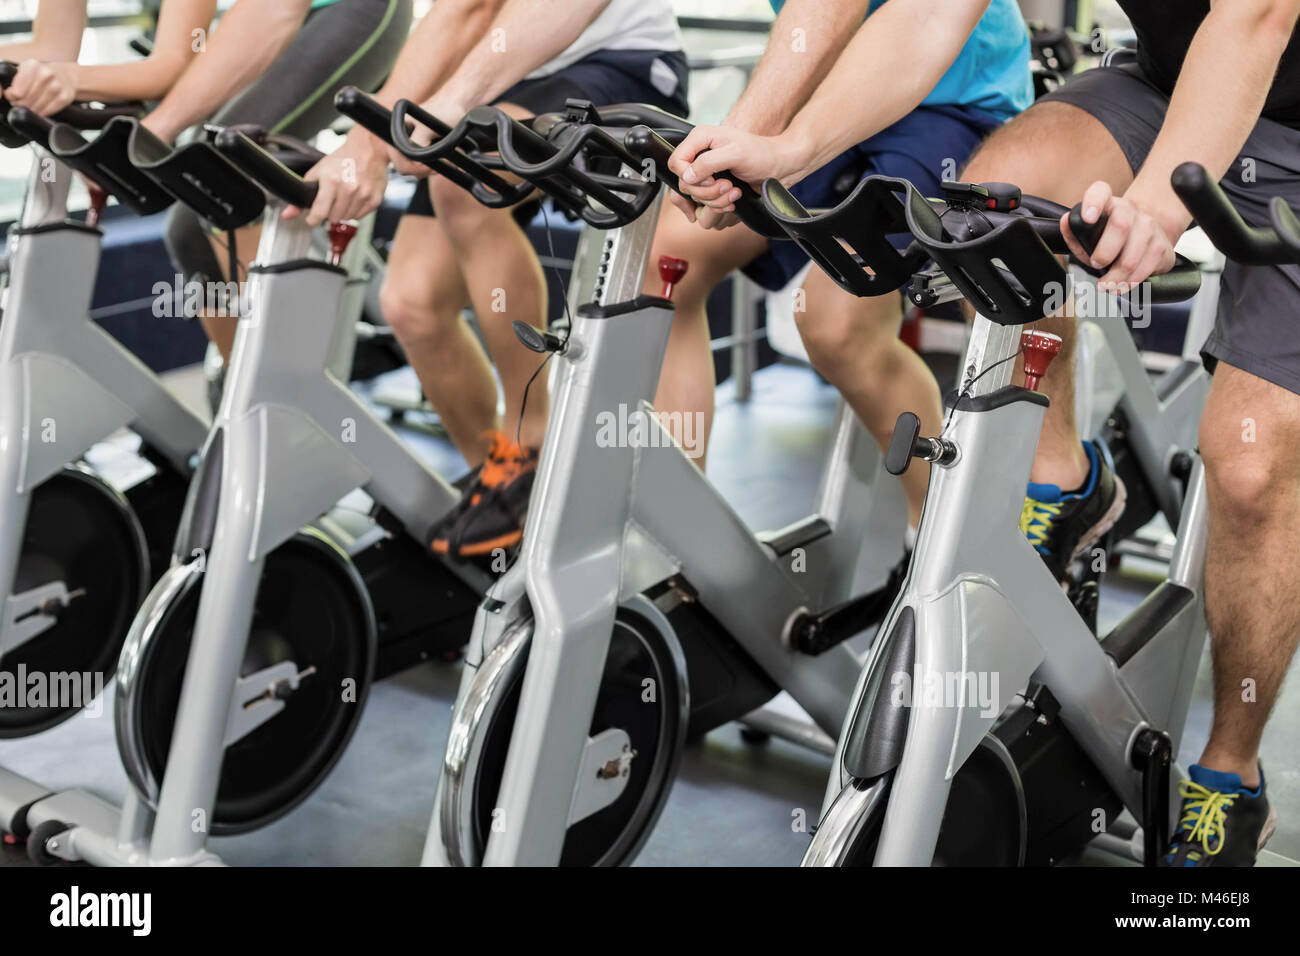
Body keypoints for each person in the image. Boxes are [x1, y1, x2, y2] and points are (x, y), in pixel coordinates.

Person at [673, 0, 1300, 867]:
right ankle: (1069, 478)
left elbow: (1256, 15)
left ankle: (1232, 777)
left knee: (1251, 465)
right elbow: (933, 9)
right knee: (981, 215)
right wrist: (791, 144)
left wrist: (1155, 204)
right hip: (1165, 84)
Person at [298, 0, 688, 558]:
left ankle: (531, 437)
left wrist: (371, 145)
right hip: (515, 76)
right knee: (412, 304)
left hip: (618, 64)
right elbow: (450, 16)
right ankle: (503, 478)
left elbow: (472, 9)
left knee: (459, 185)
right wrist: (378, 135)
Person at [647, 0, 1031, 546]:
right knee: (669, 261)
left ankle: (941, 542)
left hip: (952, 98)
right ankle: (688, 548)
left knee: (835, 323)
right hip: (828, 93)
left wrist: (730, 150)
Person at [2, 0, 414, 383]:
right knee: (188, 230)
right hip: (258, 17)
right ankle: (244, 397)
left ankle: (292, 393)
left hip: (343, 9)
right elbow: (50, 47)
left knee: (218, 186)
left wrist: (141, 130)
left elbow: (175, 60)